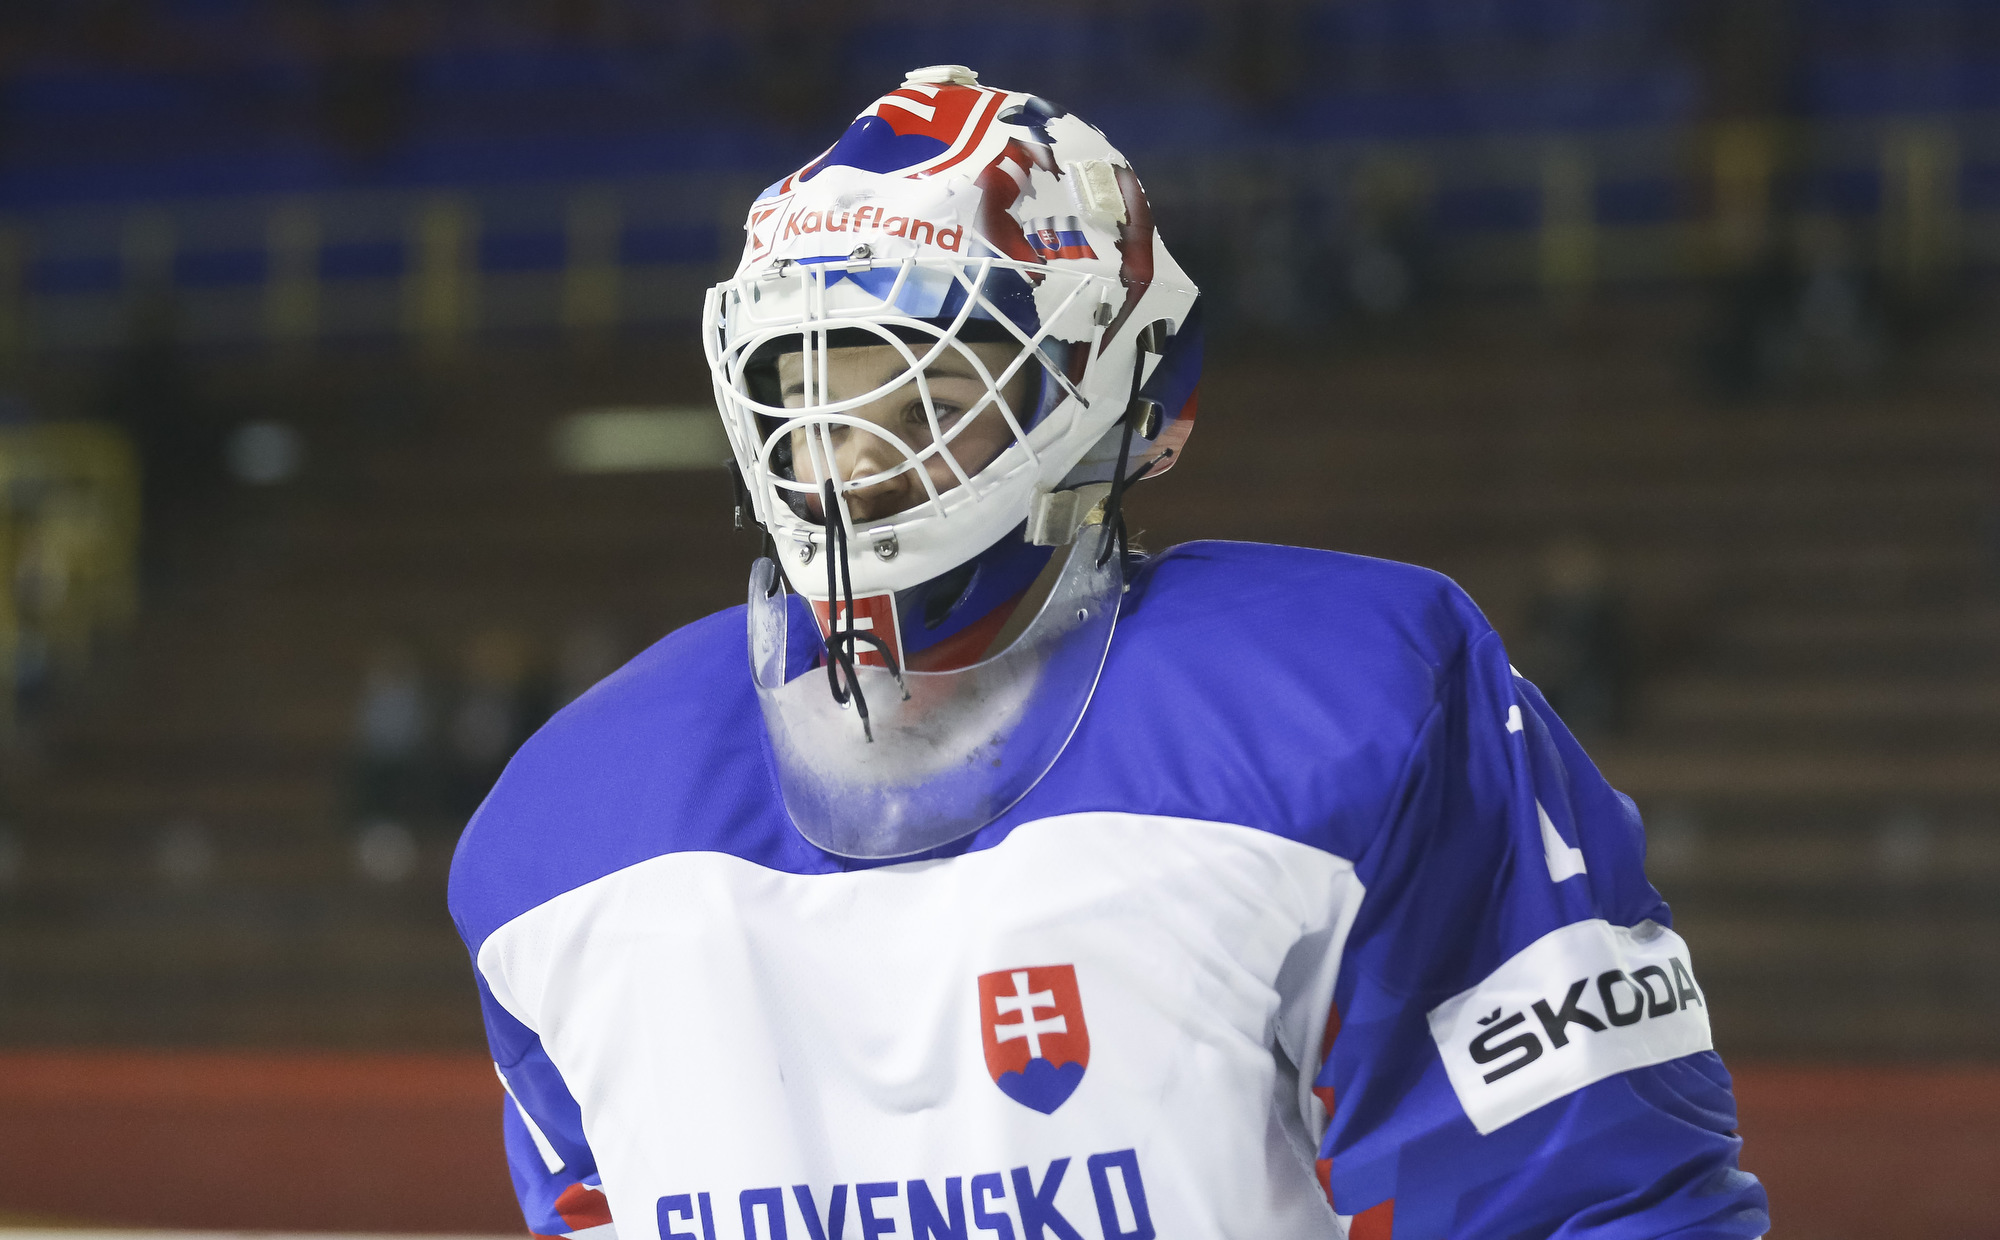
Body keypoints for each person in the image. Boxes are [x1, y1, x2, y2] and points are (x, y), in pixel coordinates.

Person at [450, 67, 1768, 1240]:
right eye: (808, 395)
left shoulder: (1344, 707)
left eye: (932, 394)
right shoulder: (558, 832)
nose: (854, 457)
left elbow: (1577, 1197)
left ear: (1120, 381)